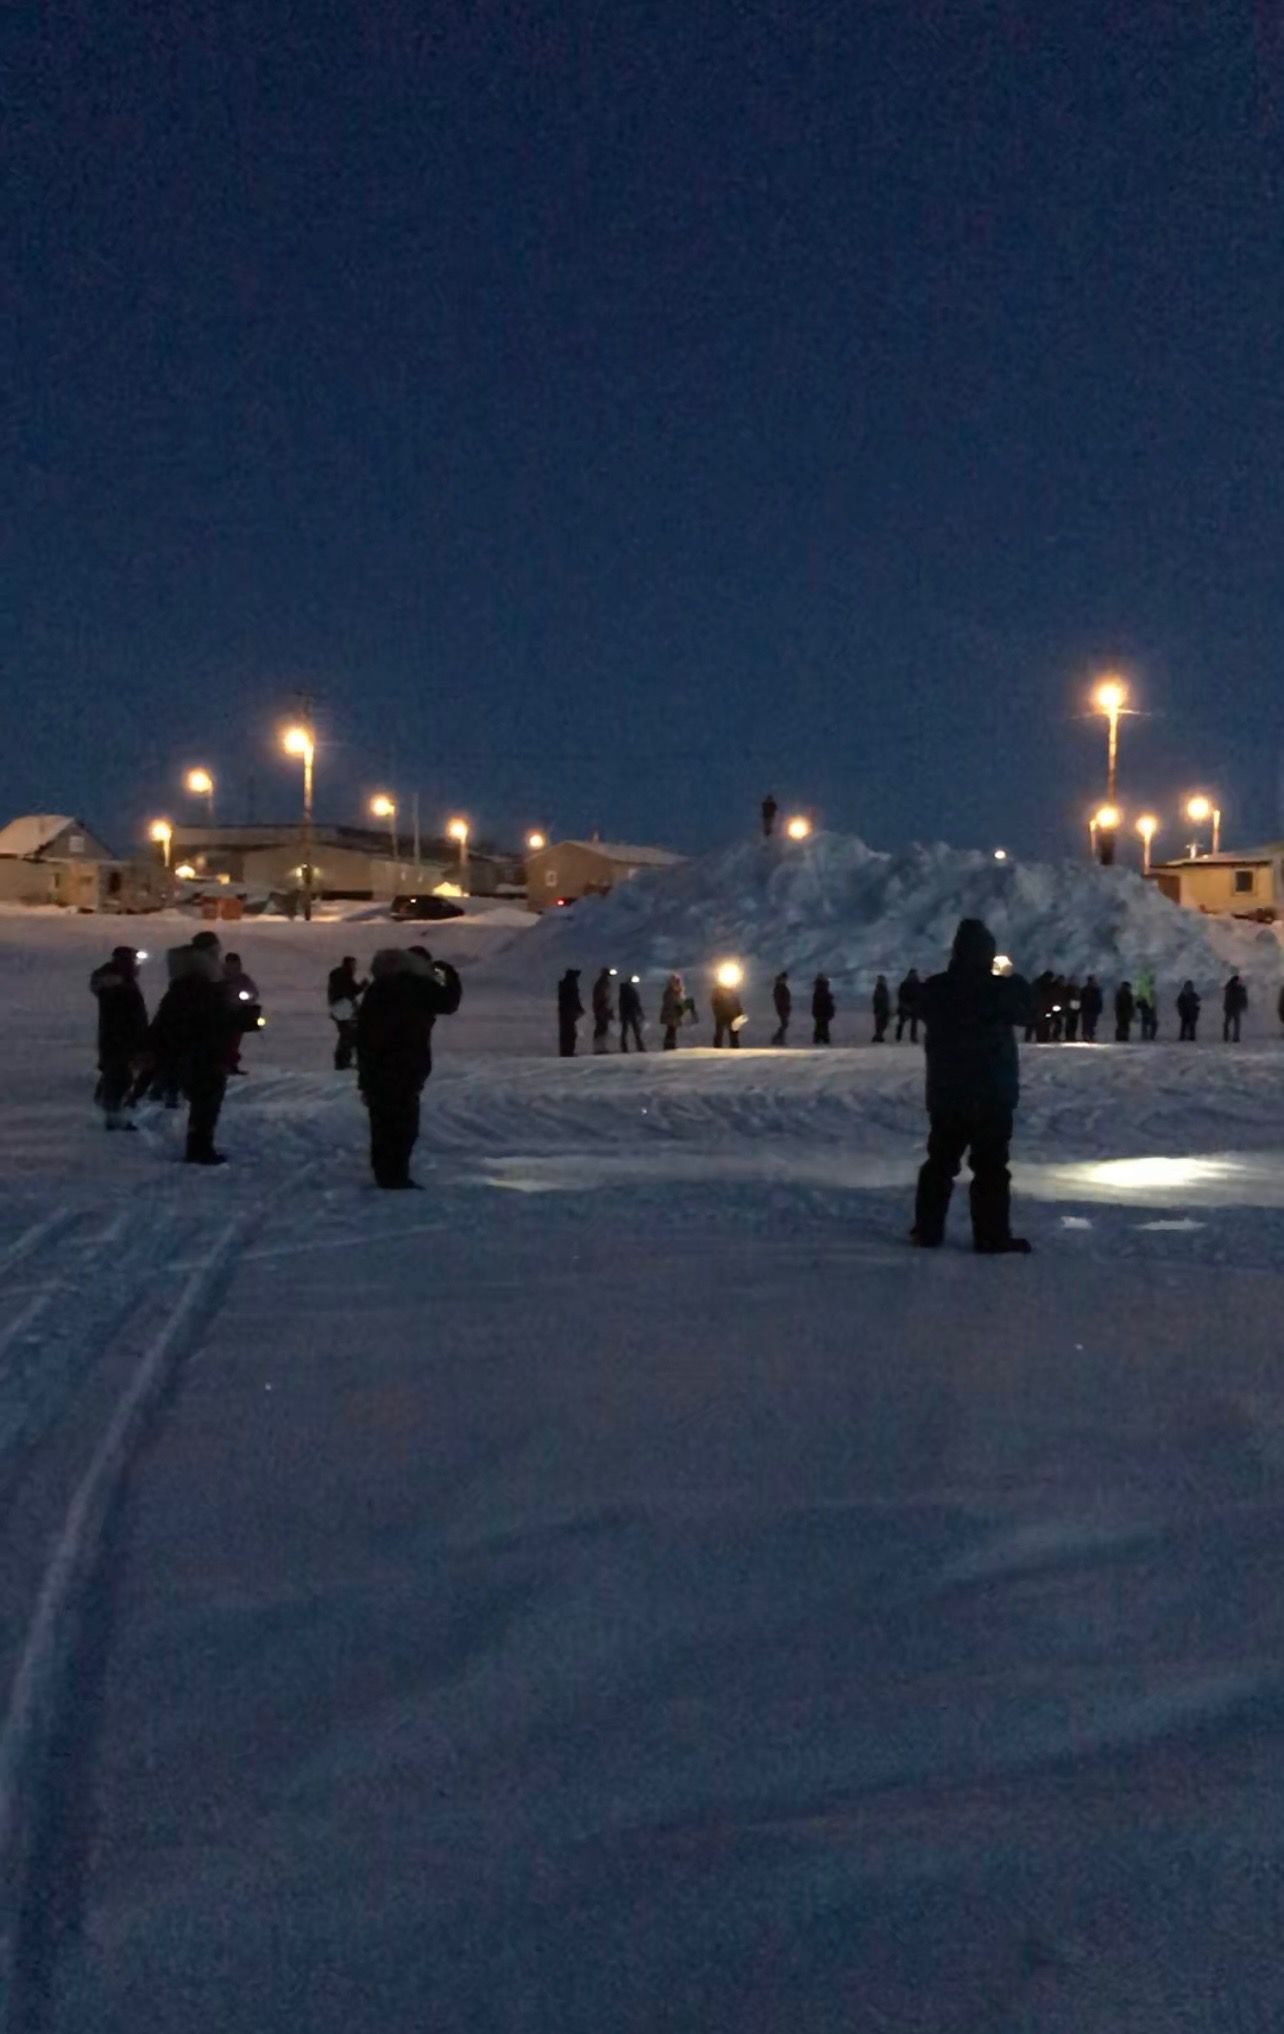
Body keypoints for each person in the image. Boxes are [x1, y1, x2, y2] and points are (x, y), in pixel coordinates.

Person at [911, 918, 1033, 1254]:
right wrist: (1008, 977)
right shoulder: (998, 990)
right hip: (992, 1094)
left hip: (948, 1093)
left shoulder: (939, 988)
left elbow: (913, 999)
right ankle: (991, 1236)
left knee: (940, 1163)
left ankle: (927, 1230)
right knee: (991, 1168)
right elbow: (1029, 1008)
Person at [356, 946, 462, 1188]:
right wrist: (450, 975)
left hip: (378, 1067)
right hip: (406, 1065)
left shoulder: (377, 990)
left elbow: (363, 1035)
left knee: (382, 1124)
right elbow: (448, 1002)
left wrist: (364, 1075)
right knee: (403, 1124)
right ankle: (395, 1175)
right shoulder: (414, 987)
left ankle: (385, 1173)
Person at [148, 932, 237, 1164]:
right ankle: (199, 1149)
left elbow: (164, 1021)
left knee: (204, 1103)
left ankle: (199, 1146)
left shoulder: (186, 984)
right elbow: (211, 1021)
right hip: (202, 1053)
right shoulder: (201, 985)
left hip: (194, 1052)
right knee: (206, 1103)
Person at [89, 945, 149, 1130]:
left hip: (117, 1039)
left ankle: (109, 1110)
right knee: (119, 1078)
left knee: (117, 1076)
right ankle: (113, 1118)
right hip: (120, 1039)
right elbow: (128, 1016)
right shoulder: (120, 985)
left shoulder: (122, 983)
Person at [222, 952, 261, 1074]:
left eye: (235, 963)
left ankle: (231, 1064)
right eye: (230, 963)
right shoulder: (219, 977)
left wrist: (247, 997)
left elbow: (254, 993)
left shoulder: (243, 979)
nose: (233, 966)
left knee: (234, 1040)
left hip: (238, 1013)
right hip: (223, 1013)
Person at [327, 956, 368, 1070]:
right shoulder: (344, 976)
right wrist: (362, 986)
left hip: (341, 1007)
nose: (355, 968)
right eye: (353, 965)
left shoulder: (340, 975)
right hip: (343, 1008)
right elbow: (351, 991)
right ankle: (343, 1062)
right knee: (349, 1035)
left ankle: (343, 1061)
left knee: (348, 1034)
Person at [557, 969, 584, 1057]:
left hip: (567, 1011)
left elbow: (574, 998)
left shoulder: (567, 984)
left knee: (568, 1032)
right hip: (568, 1011)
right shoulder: (570, 985)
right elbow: (574, 998)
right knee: (569, 1033)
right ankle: (567, 1051)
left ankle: (567, 1051)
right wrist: (578, 1008)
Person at [711, 976, 744, 1048]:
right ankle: (717, 1048)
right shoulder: (718, 991)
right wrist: (717, 1013)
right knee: (719, 1033)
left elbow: (736, 1002)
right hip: (722, 1015)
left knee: (734, 1033)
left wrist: (739, 1012)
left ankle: (734, 1047)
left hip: (732, 1015)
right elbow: (715, 1003)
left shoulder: (731, 991)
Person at [591, 968, 616, 1054]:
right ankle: (599, 1048)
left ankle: (601, 1047)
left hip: (603, 1009)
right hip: (601, 1009)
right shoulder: (601, 984)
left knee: (603, 1029)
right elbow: (600, 998)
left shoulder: (604, 984)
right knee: (601, 1028)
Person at [619, 974, 645, 1052]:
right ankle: (637, 1046)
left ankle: (629, 1046)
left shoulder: (629, 990)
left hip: (629, 1012)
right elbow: (633, 1002)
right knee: (631, 1030)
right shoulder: (628, 991)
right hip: (629, 1012)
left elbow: (635, 1002)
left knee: (630, 1030)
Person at [660, 973, 686, 1050]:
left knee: (672, 1030)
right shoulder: (671, 992)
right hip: (671, 1014)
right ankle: (669, 1046)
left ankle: (670, 1045)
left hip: (673, 1014)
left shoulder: (675, 992)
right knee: (671, 1030)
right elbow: (672, 1002)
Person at [896, 968, 922, 1043]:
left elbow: (900, 995)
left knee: (903, 1022)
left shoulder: (905, 984)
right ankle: (911, 1037)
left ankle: (899, 1036)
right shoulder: (917, 984)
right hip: (910, 1006)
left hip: (908, 1006)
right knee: (910, 1022)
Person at [1223, 972, 1248, 1042]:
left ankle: (1227, 1036)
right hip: (1233, 1008)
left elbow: (1243, 998)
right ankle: (1234, 1037)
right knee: (1235, 1023)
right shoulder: (1236, 988)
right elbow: (1243, 998)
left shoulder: (1230, 987)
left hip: (1231, 1008)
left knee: (1228, 1023)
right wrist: (1244, 1006)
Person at [812, 973, 835, 1045]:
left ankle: (819, 1039)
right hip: (823, 1011)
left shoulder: (818, 990)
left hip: (820, 1011)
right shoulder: (822, 990)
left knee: (820, 1025)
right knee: (823, 1026)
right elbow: (824, 1000)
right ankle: (823, 1039)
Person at [1134, 967, 1157, 1042]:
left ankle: (1149, 1036)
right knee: (1147, 1021)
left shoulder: (1150, 989)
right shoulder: (1144, 988)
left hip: (1149, 1007)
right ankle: (1146, 1036)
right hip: (1146, 1006)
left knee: (1151, 1022)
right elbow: (1139, 999)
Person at [770, 970, 792, 1047]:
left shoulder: (782, 987)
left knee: (785, 1024)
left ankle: (780, 1038)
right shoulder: (779, 987)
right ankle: (777, 1038)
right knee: (784, 1024)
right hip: (782, 1008)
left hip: (784, 1008)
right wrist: (783, 1006)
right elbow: (779, 999)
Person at [1080, 975, 1104, 1043]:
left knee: (1092, 1023)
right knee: (1086, 1023)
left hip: (1093, 1009)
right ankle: (1086, 1035)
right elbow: (1081, 999)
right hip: (1087, 1009)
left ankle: (1091, 1035)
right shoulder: (1085, 990)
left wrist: (1099, 1008)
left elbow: (1099, 1000)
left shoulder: (1096, 990)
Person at [872, 974, 891, 1043]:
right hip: (881, 1009)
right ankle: (878, 1036)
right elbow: (878, 999)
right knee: (881, 1023)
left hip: (882, 1009)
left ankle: (878, 1036)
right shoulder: (880, 988)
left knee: (881, 1023)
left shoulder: (880, 988)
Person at [1063, 978, 1082, 1043]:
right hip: (1070, 1008)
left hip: (1075, 1007)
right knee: (1069, 1023)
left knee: (1074, 1023)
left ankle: (1072, 1036)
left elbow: (1079, 998)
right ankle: (1068, 1036)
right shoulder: (1068, 989)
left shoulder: (1077, 989)